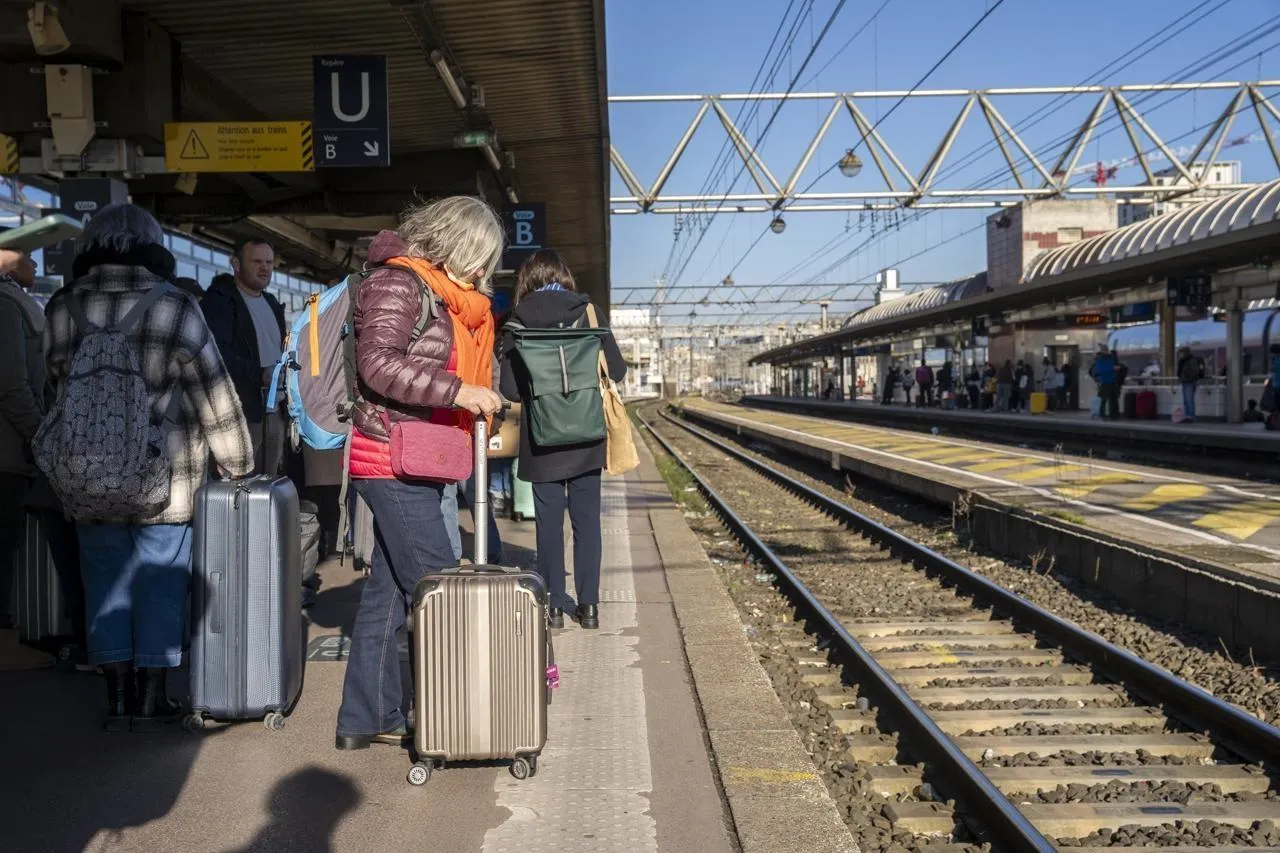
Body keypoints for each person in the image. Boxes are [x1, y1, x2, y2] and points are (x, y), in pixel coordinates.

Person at [43, 203, 254, 730]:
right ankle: (151, 696)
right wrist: (238, 463)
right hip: (167, 475)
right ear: (152, 246)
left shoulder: (63, 306)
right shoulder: (175, 305)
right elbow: (213, 390)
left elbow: (56, 387)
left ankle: (116, 695)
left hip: (87, 474)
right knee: (162, 578)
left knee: (104, 581)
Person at [336, 196, 504, 751]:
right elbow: (377, 364)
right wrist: (460, 390)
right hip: (390, 458)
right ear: (455, 243)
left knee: (387, 592)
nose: (482, 272)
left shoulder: (442, 294)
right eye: (479, 257)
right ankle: (457, 721)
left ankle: (367, 717)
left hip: (418, 455)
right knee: (438, 590)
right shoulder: (400, 283)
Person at [500, 249, 626, 631]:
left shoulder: (516, 322)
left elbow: (511, 390)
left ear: (526, 282)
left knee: (548, 525)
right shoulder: (589, 314)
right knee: (588, 523)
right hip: (587, 437)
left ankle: (553, 607)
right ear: (565, 276)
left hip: (542, 440)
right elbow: (616, 371)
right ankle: (588, 607)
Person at [0, 247, 57, 670]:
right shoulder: (6, 307)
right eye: (26, 255)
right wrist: (42, 437)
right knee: (2, 544)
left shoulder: (14, 303)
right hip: (7, 449)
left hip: (11, 448)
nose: (36, 264)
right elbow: (12, 385)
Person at [201, 240, 287, 476]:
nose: (265, 268)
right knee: (238, 488)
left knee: (268, 487)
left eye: (269, 262)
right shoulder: (220, 301)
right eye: (257, 261)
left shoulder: (271, 303)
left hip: (274, 411)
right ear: (236, 264)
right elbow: (216, 354)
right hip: (241, 413)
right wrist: (259, 374)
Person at [1090, 346, 1121, 420]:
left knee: (1113, 398)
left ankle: (1113, 415)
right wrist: (1112, 369)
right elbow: (1100, 370)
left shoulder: (1111, 358)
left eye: (1107, 350)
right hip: (1104, 381)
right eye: (1105, 350)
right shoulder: (1100, 359)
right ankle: (1102, 414)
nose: (1107, 351)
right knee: (1104, 399)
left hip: (1112, 381)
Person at [1176, 346, 1204, 422]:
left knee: (1189, 400)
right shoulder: (1183, 361)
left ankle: (1191, 416)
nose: (1180, 355)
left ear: (1185, 353)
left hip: (1190, 383)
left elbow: (1195, 372)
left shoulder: (1191, 361)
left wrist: (1187, 376)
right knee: (1186, 401)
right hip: (1185, 382)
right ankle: (1187, 416)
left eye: (1181, 353)